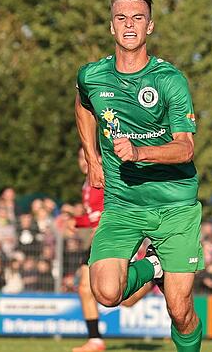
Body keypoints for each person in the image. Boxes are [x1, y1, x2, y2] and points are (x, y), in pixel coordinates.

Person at [75, 0, 204, 352]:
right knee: (105, 291)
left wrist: (138, 151)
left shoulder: (169, 80)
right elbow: (84, 103)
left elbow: (185, 147)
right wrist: (92, 156)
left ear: (150, 26)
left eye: (137, 18)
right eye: (121, 18)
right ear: (111, 26)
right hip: (123, 204)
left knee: (179, 311)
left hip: (175, 206)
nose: (129, 25)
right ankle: (154, 267)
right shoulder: (92, 76)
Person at [57, 148, 156, 352]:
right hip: (99, 240)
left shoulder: (105, 178)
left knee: (124, 300)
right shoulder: (88, 182)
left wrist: (79, 221)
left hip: (110, 238)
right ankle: (95, 340)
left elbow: (112, 209)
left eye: (88, 156)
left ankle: (153, 274)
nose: (84, 161)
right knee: (85, 289)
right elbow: (93, 216)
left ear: (99, 158)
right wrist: (75, 221)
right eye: (80, 157)